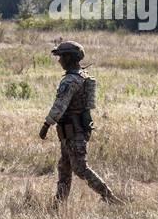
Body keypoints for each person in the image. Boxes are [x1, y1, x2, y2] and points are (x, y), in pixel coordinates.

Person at [39, 40, 119, 205]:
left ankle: (110, 197)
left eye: (61, 57)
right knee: (64, 168)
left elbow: (59, 106)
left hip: (73, 131)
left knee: (80, 169)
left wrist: (46, 125)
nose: (59, 60)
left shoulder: (69, 81)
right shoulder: (82, 77)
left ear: (69, 58)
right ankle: (58, 205)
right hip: (72, 131)